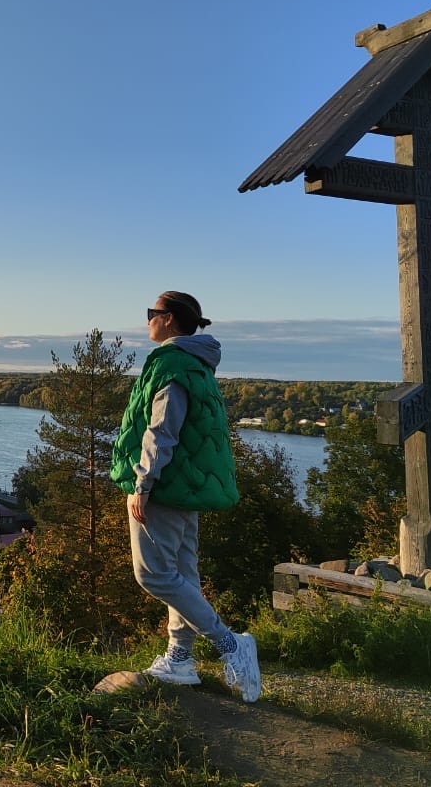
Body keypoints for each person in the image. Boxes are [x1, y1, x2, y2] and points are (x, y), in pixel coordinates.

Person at [110, 290, 260, 703]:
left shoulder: (172, 364)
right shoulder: (198, 363)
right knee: (182, 572)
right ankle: (179, 658)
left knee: (154, 574)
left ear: (170, 319)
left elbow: (160, 430)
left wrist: (143, 483)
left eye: (151, 314)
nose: (148, 321)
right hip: (185, 486)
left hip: (163, 487)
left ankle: (230, 644)